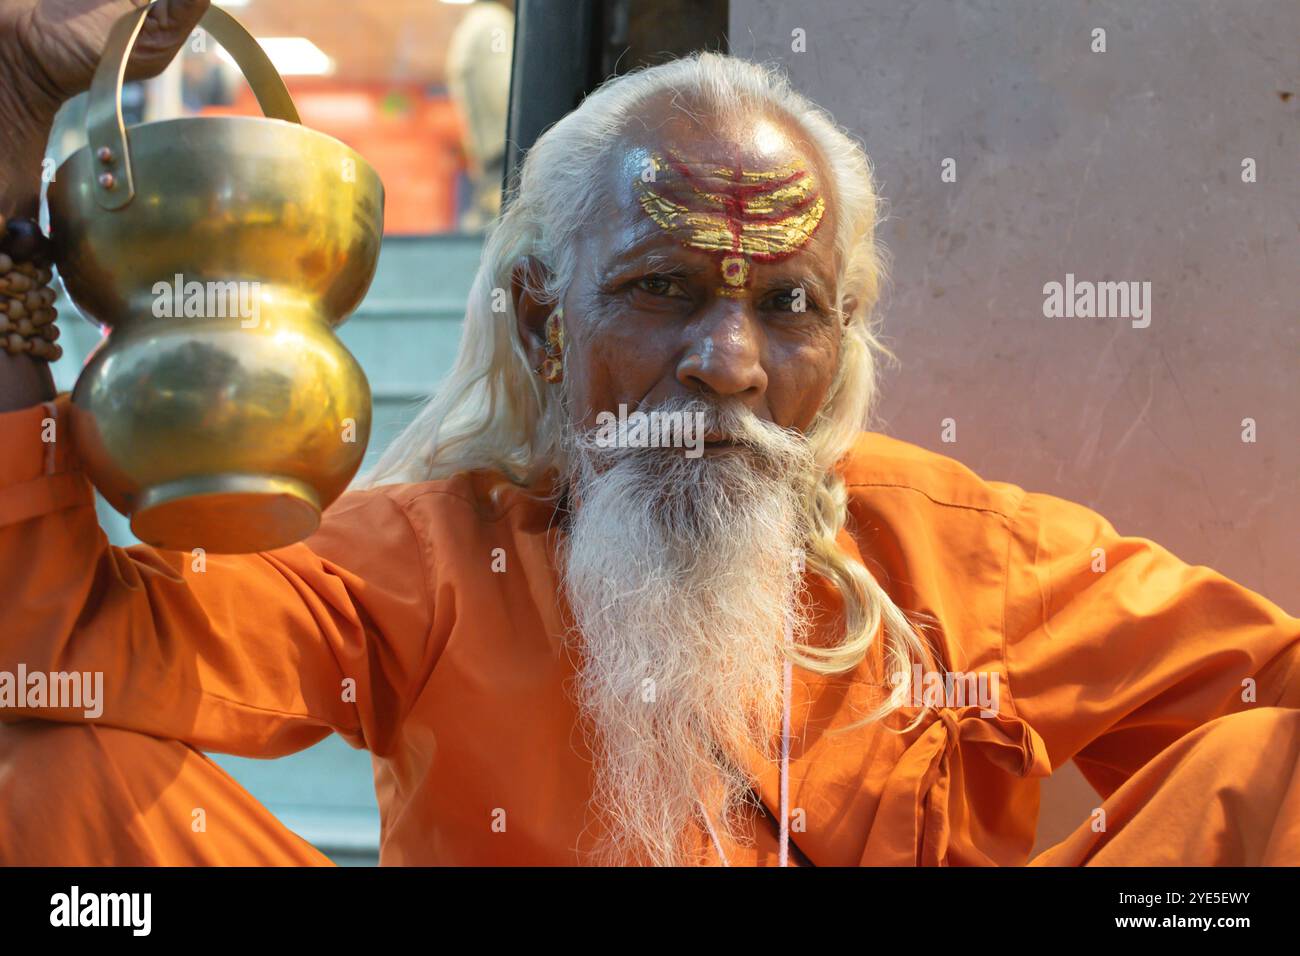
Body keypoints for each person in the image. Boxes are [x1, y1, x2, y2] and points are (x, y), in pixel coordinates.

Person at [0, 0, 1296, 867]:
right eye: (660, 289)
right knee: (48, 782)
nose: (727, 364)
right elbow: (49, 653)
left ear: (843, 335)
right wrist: (11, 145)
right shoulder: (437, 553)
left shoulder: (965, 557)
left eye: (787, 307)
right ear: (543, 320)